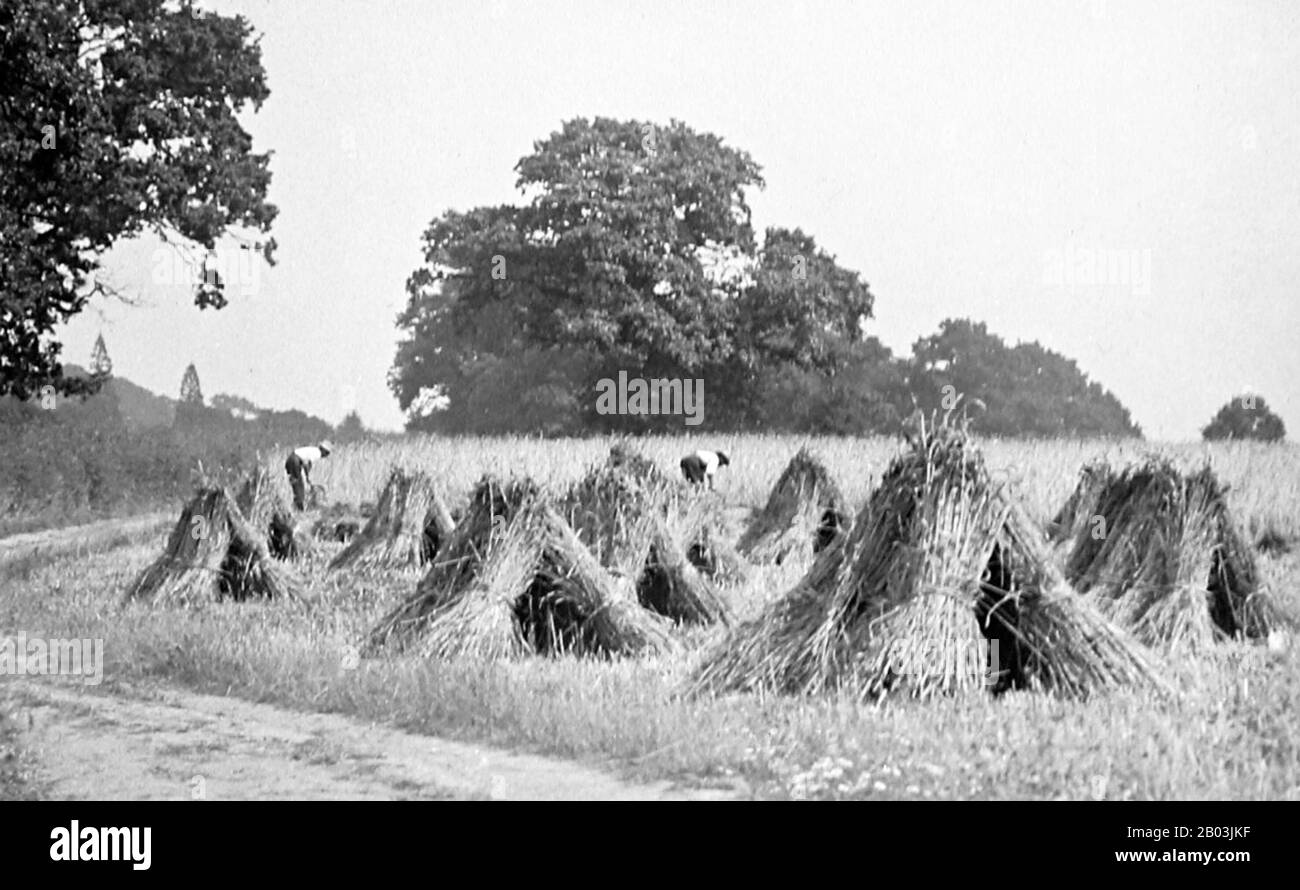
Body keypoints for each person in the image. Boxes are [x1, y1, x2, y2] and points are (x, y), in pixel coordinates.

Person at [285, 440, 332, 510]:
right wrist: (307, 478)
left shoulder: (313, 450)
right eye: (327, 454)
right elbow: (306, 464)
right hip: (295, 461)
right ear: (325, 452)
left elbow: (306, 464)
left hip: (290, 460)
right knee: (299, 487)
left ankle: (295, 507)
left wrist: (306, 476)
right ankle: (299, 509)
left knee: (296, 485)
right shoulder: (318, 453)